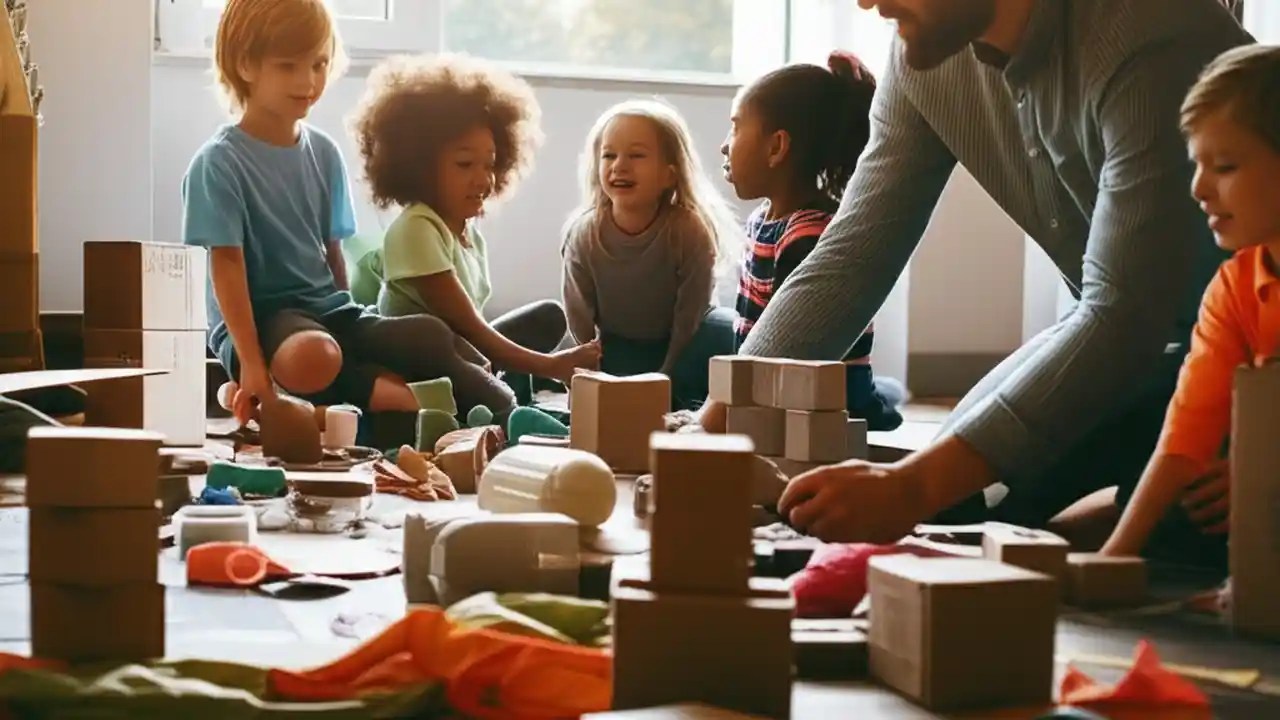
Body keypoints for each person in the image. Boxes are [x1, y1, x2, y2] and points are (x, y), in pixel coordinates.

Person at [706, 0, 1252, 544]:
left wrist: (912, 488)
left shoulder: (1147, 32)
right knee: (966, 504)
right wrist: (720, 412)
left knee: (1205, 515)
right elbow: (851, 255)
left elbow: (1128, 314)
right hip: (1127, 338)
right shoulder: (923, 56)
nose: (865, 1)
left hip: (1250, 359)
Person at [183, 0, 504, 427]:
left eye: (318, 64)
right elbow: (226, 267)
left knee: (429, 332)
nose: (309, 81)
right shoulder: (218, 164)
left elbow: (333, 254)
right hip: (265, 323)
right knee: (317, 356)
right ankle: (381, 394)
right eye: (288, 67)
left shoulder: (324, 153)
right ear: (245, 65)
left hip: (328, 313)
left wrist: (357, 329)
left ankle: (505, 409)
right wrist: (252, 363)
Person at [1101, 45, 1280, 559]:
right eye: (1197, 165)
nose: (1200, 189)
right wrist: (1113, 562)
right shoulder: (1235, 286)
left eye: (1224, 165)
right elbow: (1186, 435)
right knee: (1174, 493)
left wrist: (1263, 471)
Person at [348, 53, 600, 413]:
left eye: (490, 164)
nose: (483, 179)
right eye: (465, 164)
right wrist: (551, 365)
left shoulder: (469, 234)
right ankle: (502, 399)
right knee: (484, 383)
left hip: (462, 349)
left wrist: (494, 362)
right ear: (419, 165)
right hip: (420, 361)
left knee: (549, 315)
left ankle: (494, 385)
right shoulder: (416, 228)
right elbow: (469, 328)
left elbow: (475, 332)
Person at [719, 51, 904, 431]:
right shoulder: (763, 220)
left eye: (735, 128)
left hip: (821, 393)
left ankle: (877, 402)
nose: (725, 145)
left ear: (776, 148)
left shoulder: (807, 235)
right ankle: (885, 391)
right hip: (765, 376)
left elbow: (801, 345)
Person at [561, 99, 740, 410]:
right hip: (620, 347)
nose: (620, 166)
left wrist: (666, 377)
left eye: (637, 155)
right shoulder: (584, 235)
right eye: (609, 155)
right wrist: (589, 378)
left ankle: (686, 402)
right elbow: (579, 319)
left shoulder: (687, 230)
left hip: (682, 345)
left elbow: (691, 315)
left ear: (669, 175)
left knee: (726, 328)